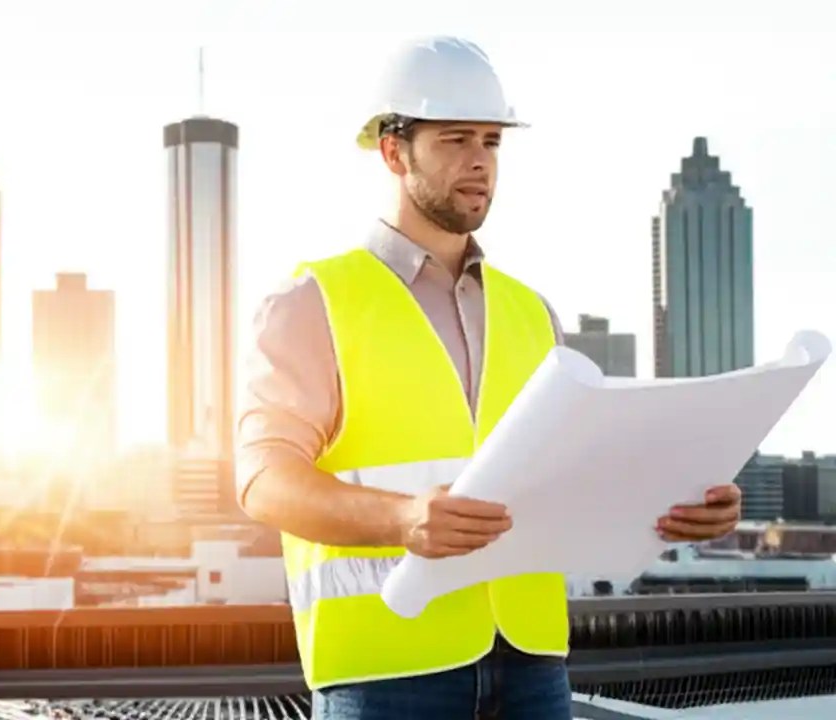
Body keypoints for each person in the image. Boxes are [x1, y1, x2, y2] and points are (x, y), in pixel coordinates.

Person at [235, 36, 743, 719]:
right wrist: (404, 518)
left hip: (533, 668)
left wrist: (674, 506)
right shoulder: (312, 303)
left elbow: (565, 477)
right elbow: (262, 481)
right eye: (454, 140)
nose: (479, 161)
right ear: (393, 151)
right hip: (388, 671)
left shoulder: (531, 312)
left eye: (491, 141)